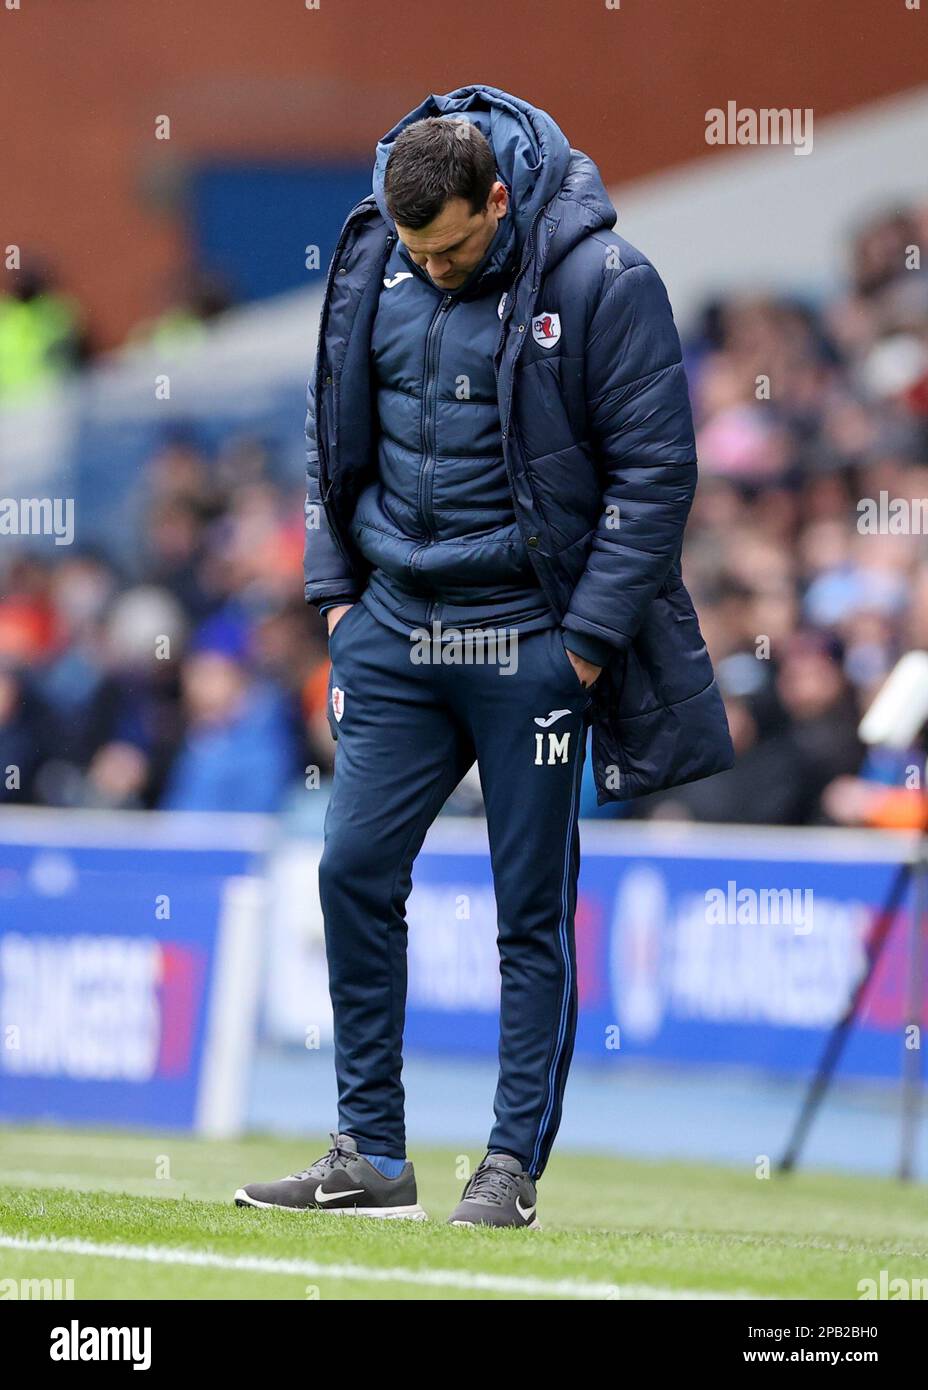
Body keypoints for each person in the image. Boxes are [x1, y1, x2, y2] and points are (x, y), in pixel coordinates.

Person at [236, 85, 732, 1227]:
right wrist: (336, 603)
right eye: (420, 251)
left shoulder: (607, 281)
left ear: (498, 198)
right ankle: (370, 1153)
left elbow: (655, 479)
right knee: (351, 869)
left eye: (456, 248)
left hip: (532, 637)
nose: (436, 268)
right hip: (395, 629)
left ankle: (508, 1168)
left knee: (527, 913)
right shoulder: (376, 254)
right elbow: (329, 430)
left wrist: (588, 647)